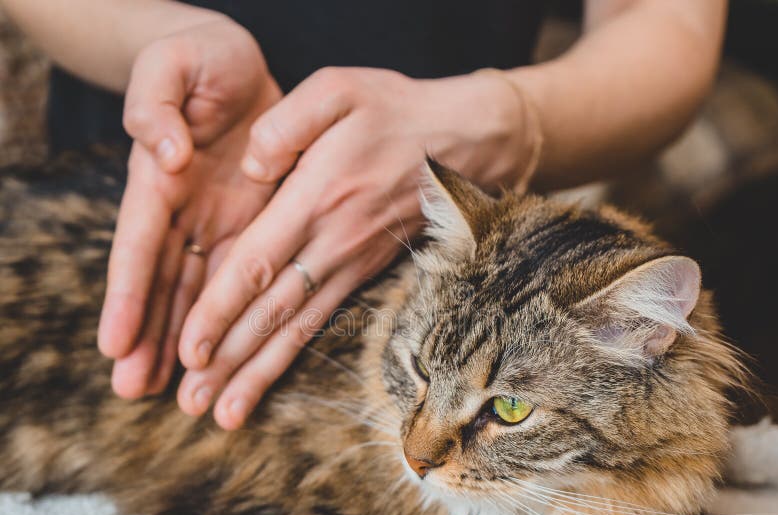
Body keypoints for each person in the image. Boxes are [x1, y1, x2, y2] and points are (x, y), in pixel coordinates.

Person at [2, 0, 727, 430]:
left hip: (440, 246)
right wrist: (158, 38)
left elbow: (667, 27)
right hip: (131, 231)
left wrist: (505, 120)